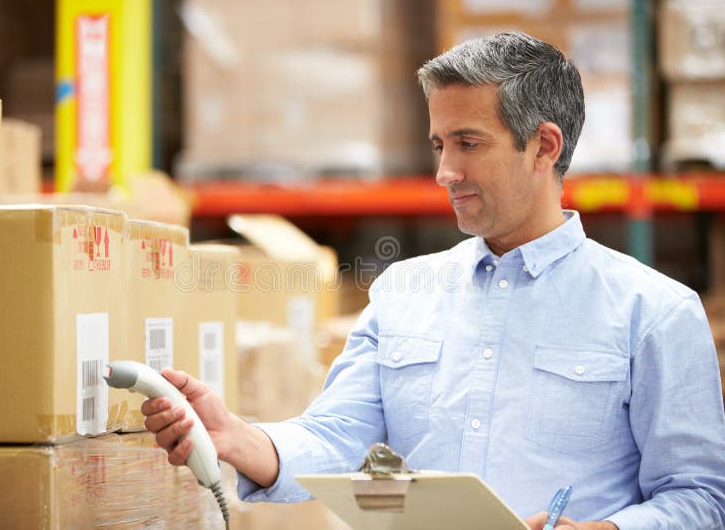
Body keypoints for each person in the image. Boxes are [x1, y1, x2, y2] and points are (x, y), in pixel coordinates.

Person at [143, 32, 725, 529]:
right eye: (439, 145)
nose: (446, 171)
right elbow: (339, 437)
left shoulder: (653, 312)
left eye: (469, 143)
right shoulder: (403, 292)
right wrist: (235, 437)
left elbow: (701, 497)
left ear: (543, 146)